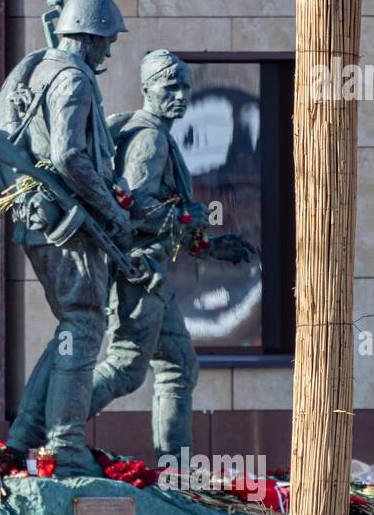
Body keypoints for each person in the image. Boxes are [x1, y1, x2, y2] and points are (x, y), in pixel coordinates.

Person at [89, 51, 256, 460]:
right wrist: (186, 214)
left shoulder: (156, 134)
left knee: (179, 365)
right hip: (139, 270)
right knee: (127, 366)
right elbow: (132, 207)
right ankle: (49, 430)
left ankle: (175, 469)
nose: (180, 95)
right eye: (170, 87)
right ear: (147, 89)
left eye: (184, 86)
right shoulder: (149, 139)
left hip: (153, 273)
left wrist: (212, 246)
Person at [0, 0, 133, 478]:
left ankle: (23, 438)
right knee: (84, 324)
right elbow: (69, 156)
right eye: (105, 42)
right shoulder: (73, 79)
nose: (108, 53)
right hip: (69, 225)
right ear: (88, 37)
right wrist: (111, 211)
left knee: (70, 327)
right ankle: (66, 447)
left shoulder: (37, 69)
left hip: (43, 220)